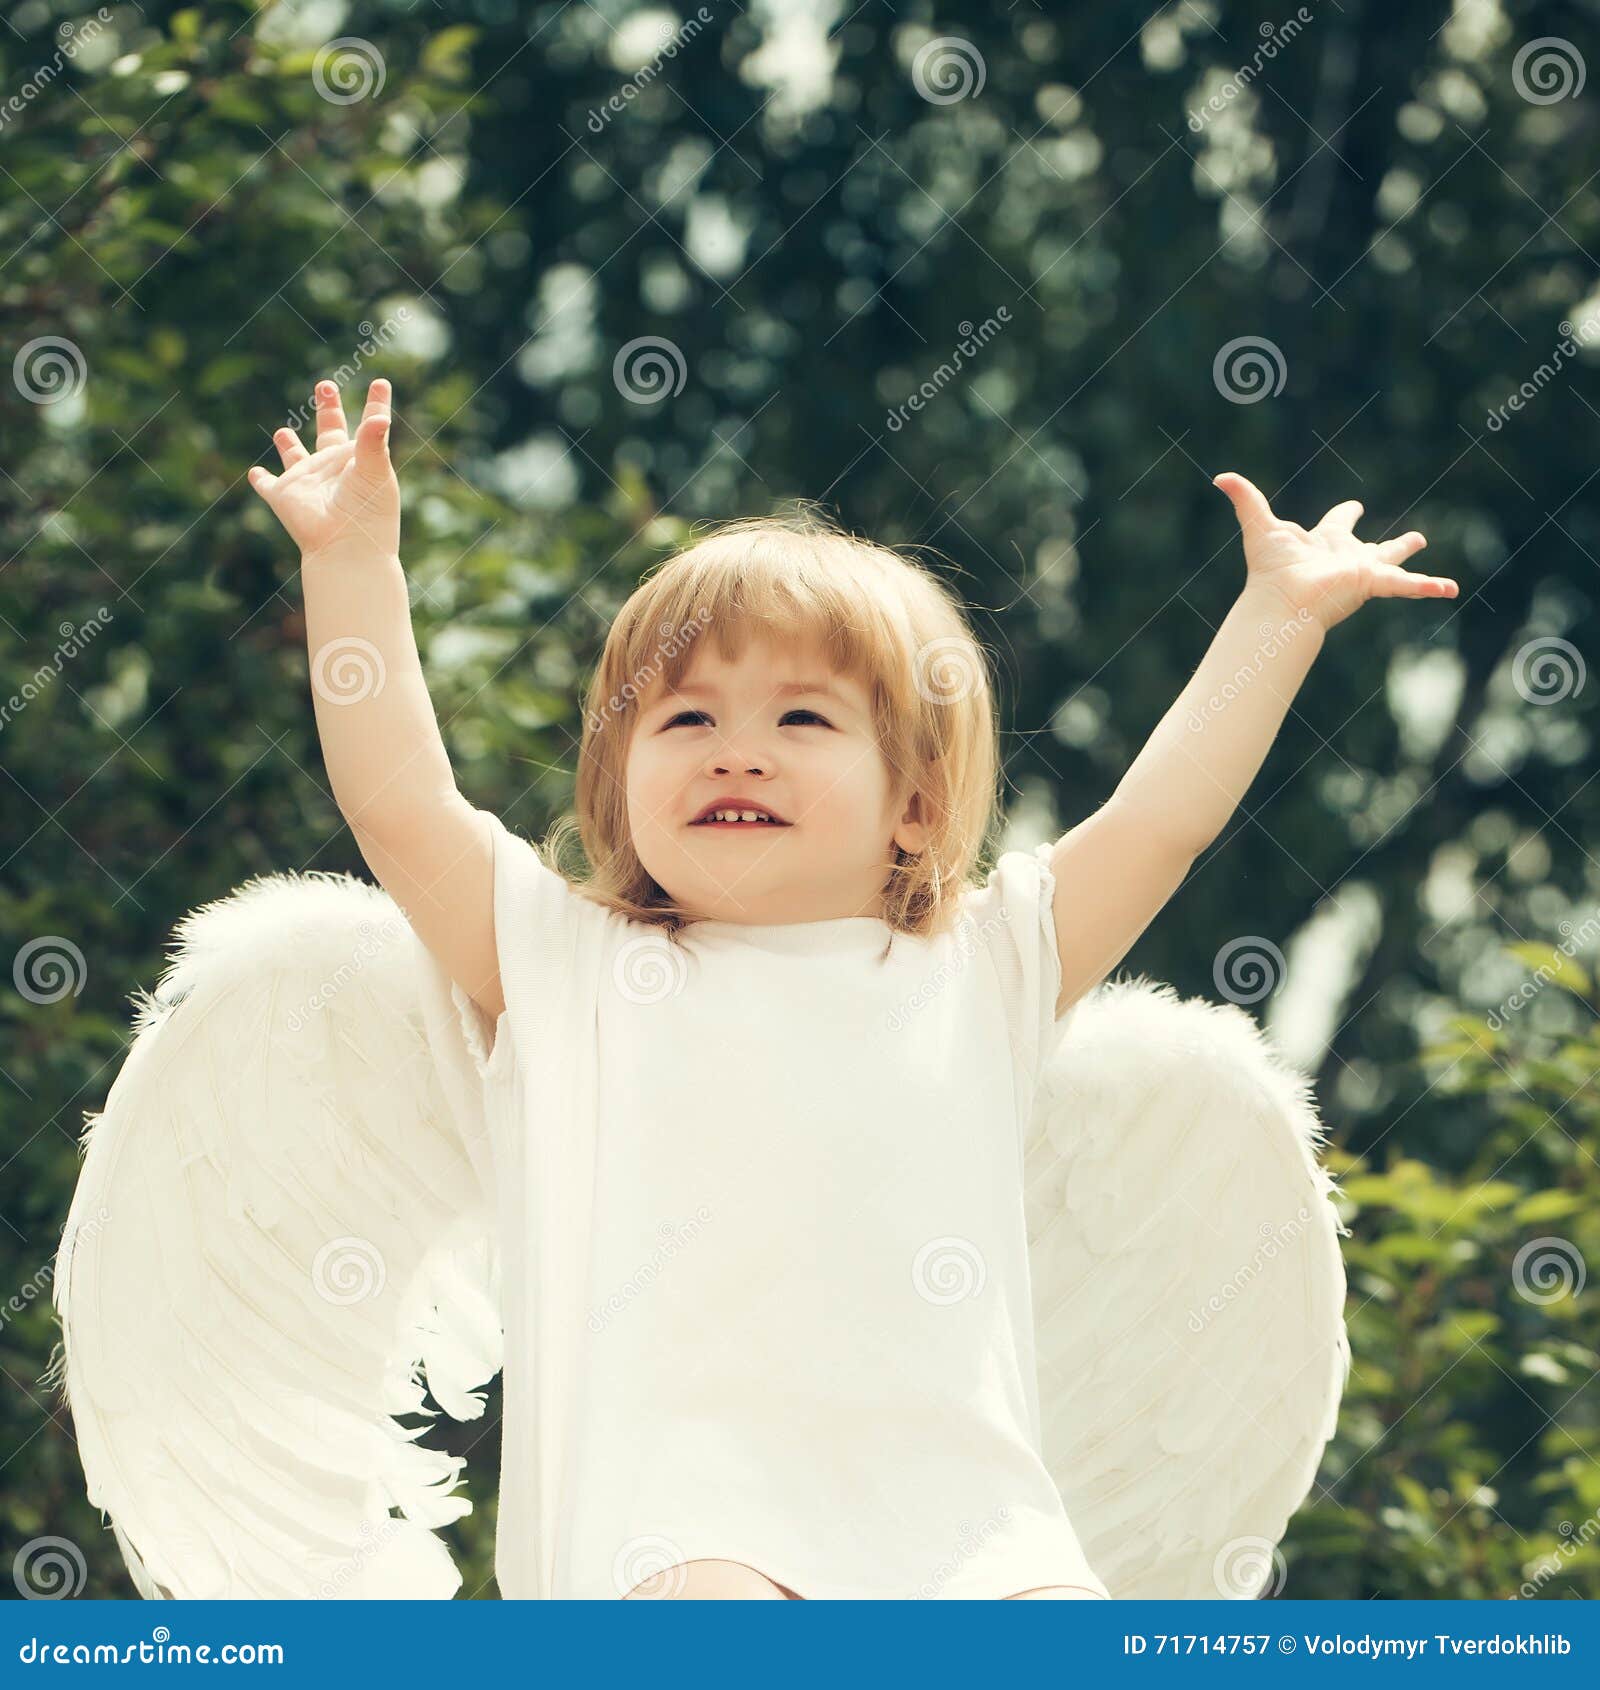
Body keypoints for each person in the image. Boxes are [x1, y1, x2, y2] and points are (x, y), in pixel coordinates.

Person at [245, 378, 1455, 1600]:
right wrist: (351, 564)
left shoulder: (985, 964)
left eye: (803, 718)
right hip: (677, 1536)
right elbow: (400, 806)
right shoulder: (565, 968)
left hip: (977, 1539)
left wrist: (1277, 617)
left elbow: (1159, 820)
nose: (737, 749)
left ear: (915, 804)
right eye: (686, 718)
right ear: (620, 788)